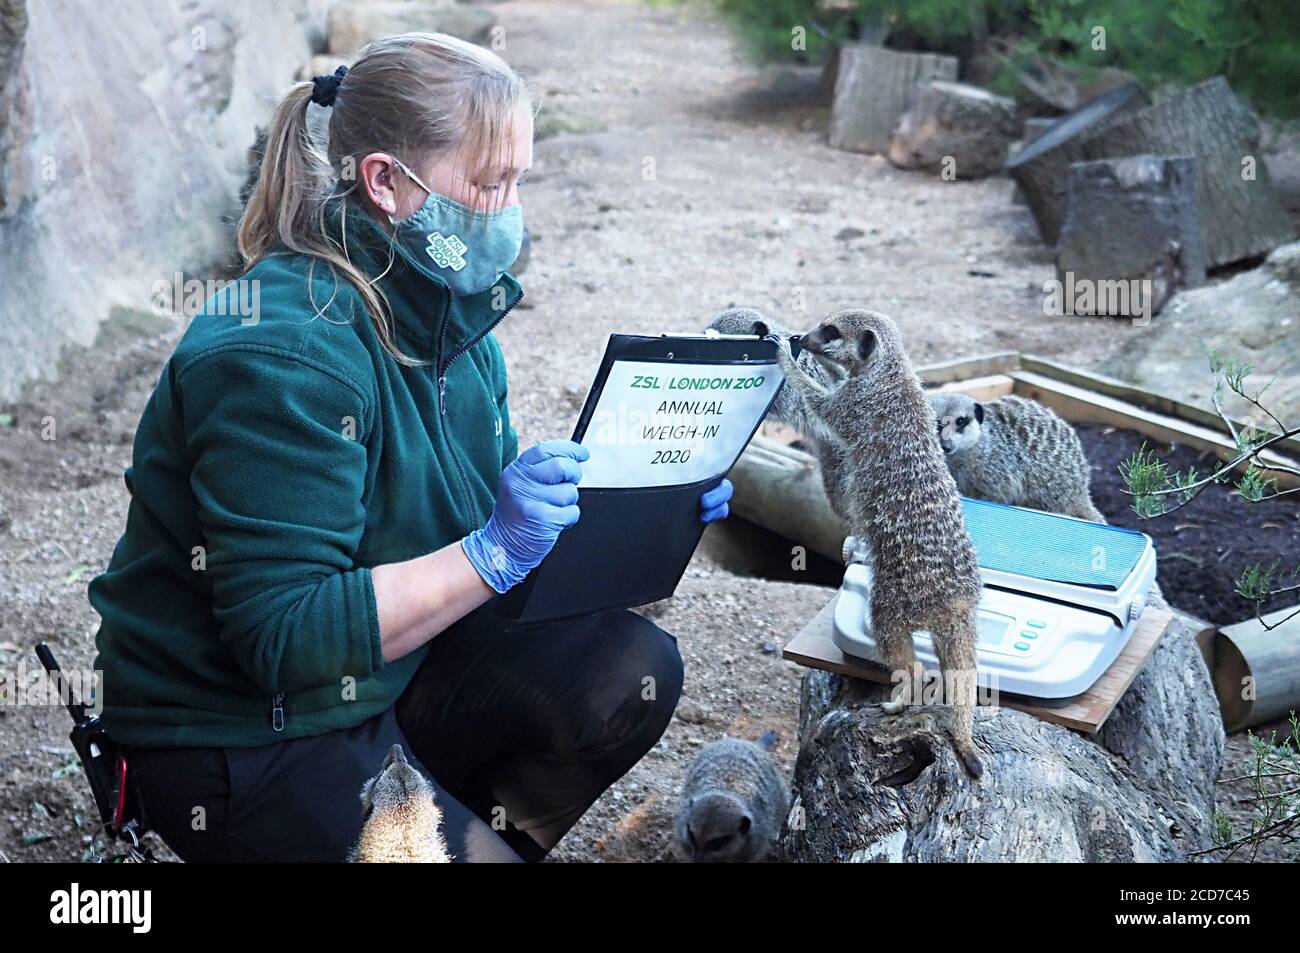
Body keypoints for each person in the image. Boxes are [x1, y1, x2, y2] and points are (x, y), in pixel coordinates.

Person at [88, 33, 733, 862]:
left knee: (627, 669)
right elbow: (282, 637)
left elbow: (472, 548)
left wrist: (641, 505)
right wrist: (495, 549)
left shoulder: (450, 318)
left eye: (517, 182)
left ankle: (450, 834)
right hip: (240, 729)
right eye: (488, 183)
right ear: (385, 181)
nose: (506, 213)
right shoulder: (279, 353)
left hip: (387, 673)